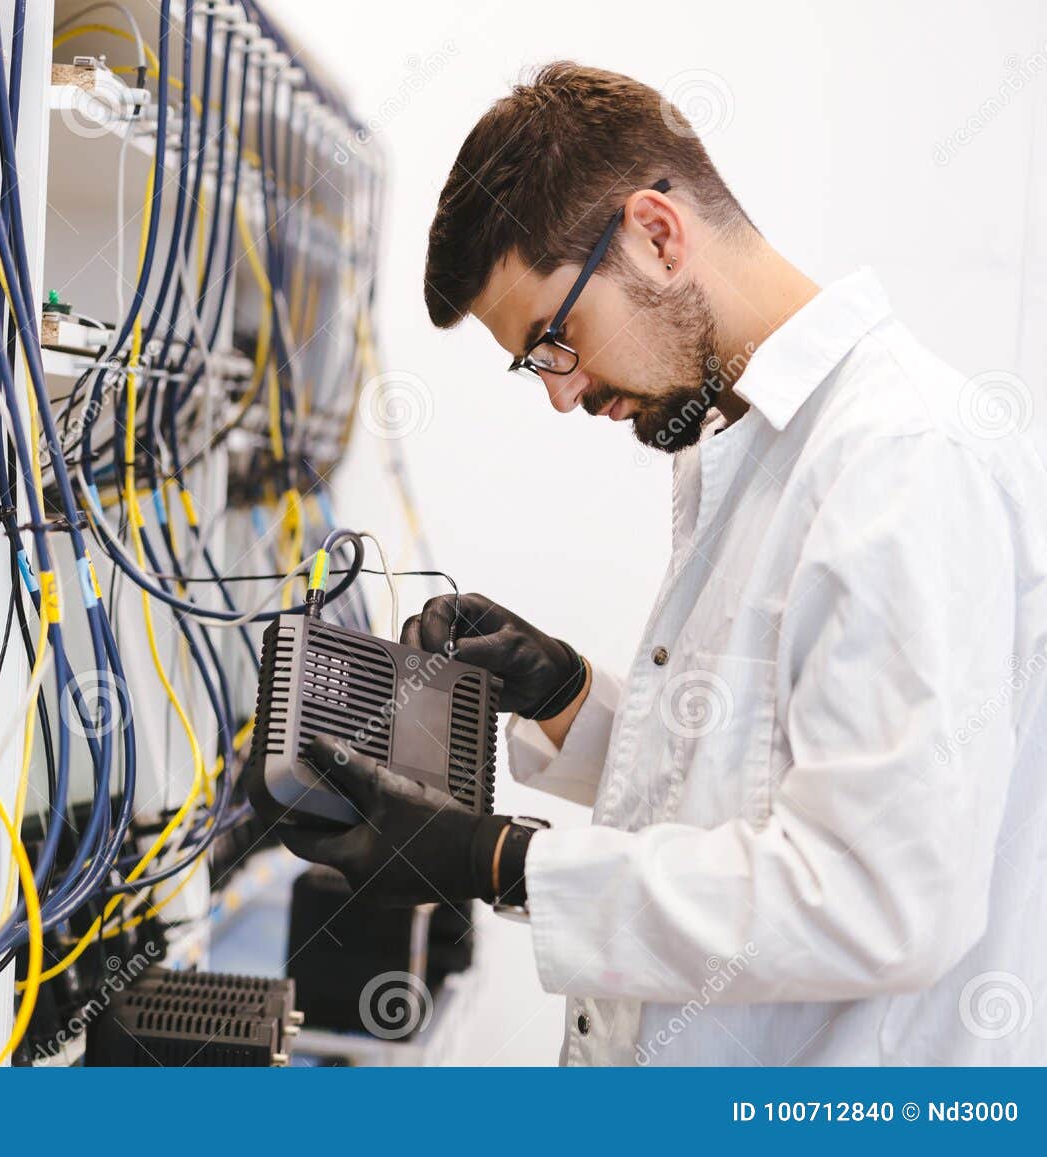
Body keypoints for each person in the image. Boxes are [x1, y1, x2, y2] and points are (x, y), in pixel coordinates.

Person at [273, 62, 1047, 1065]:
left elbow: (878, 896)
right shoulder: (752, 444)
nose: (562, 394)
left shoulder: (900, 462)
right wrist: (563, 693)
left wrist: (502, 860)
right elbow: (754, 779)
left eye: (556, 342)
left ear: (654, 232)